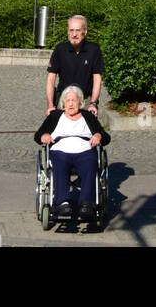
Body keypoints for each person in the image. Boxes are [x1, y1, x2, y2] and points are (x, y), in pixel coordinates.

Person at [34, 84, 110, 220]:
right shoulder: (55, 116)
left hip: (85, 151)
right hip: (60, 150)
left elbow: (105, 137)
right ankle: (63, 203)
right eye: (67, 101)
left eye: (73, 101)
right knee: (60, 163)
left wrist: (98, 136)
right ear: (63, 103)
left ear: (80, 102)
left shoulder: (87, 116)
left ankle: (86, 203)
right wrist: (44, 136)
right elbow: (38, 135)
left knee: (90, 163)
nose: (70, 104)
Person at [46, 15, 105, 114]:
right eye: (71, 30)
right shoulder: (60, 50)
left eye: (78, 30)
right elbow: (51, 79)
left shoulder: (94, 50)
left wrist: (93, 103)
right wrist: (50, 105)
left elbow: (97, 78)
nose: (74, 34)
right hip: (64, 101)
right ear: (68, 31)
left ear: (85, 32)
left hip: (85, 102)